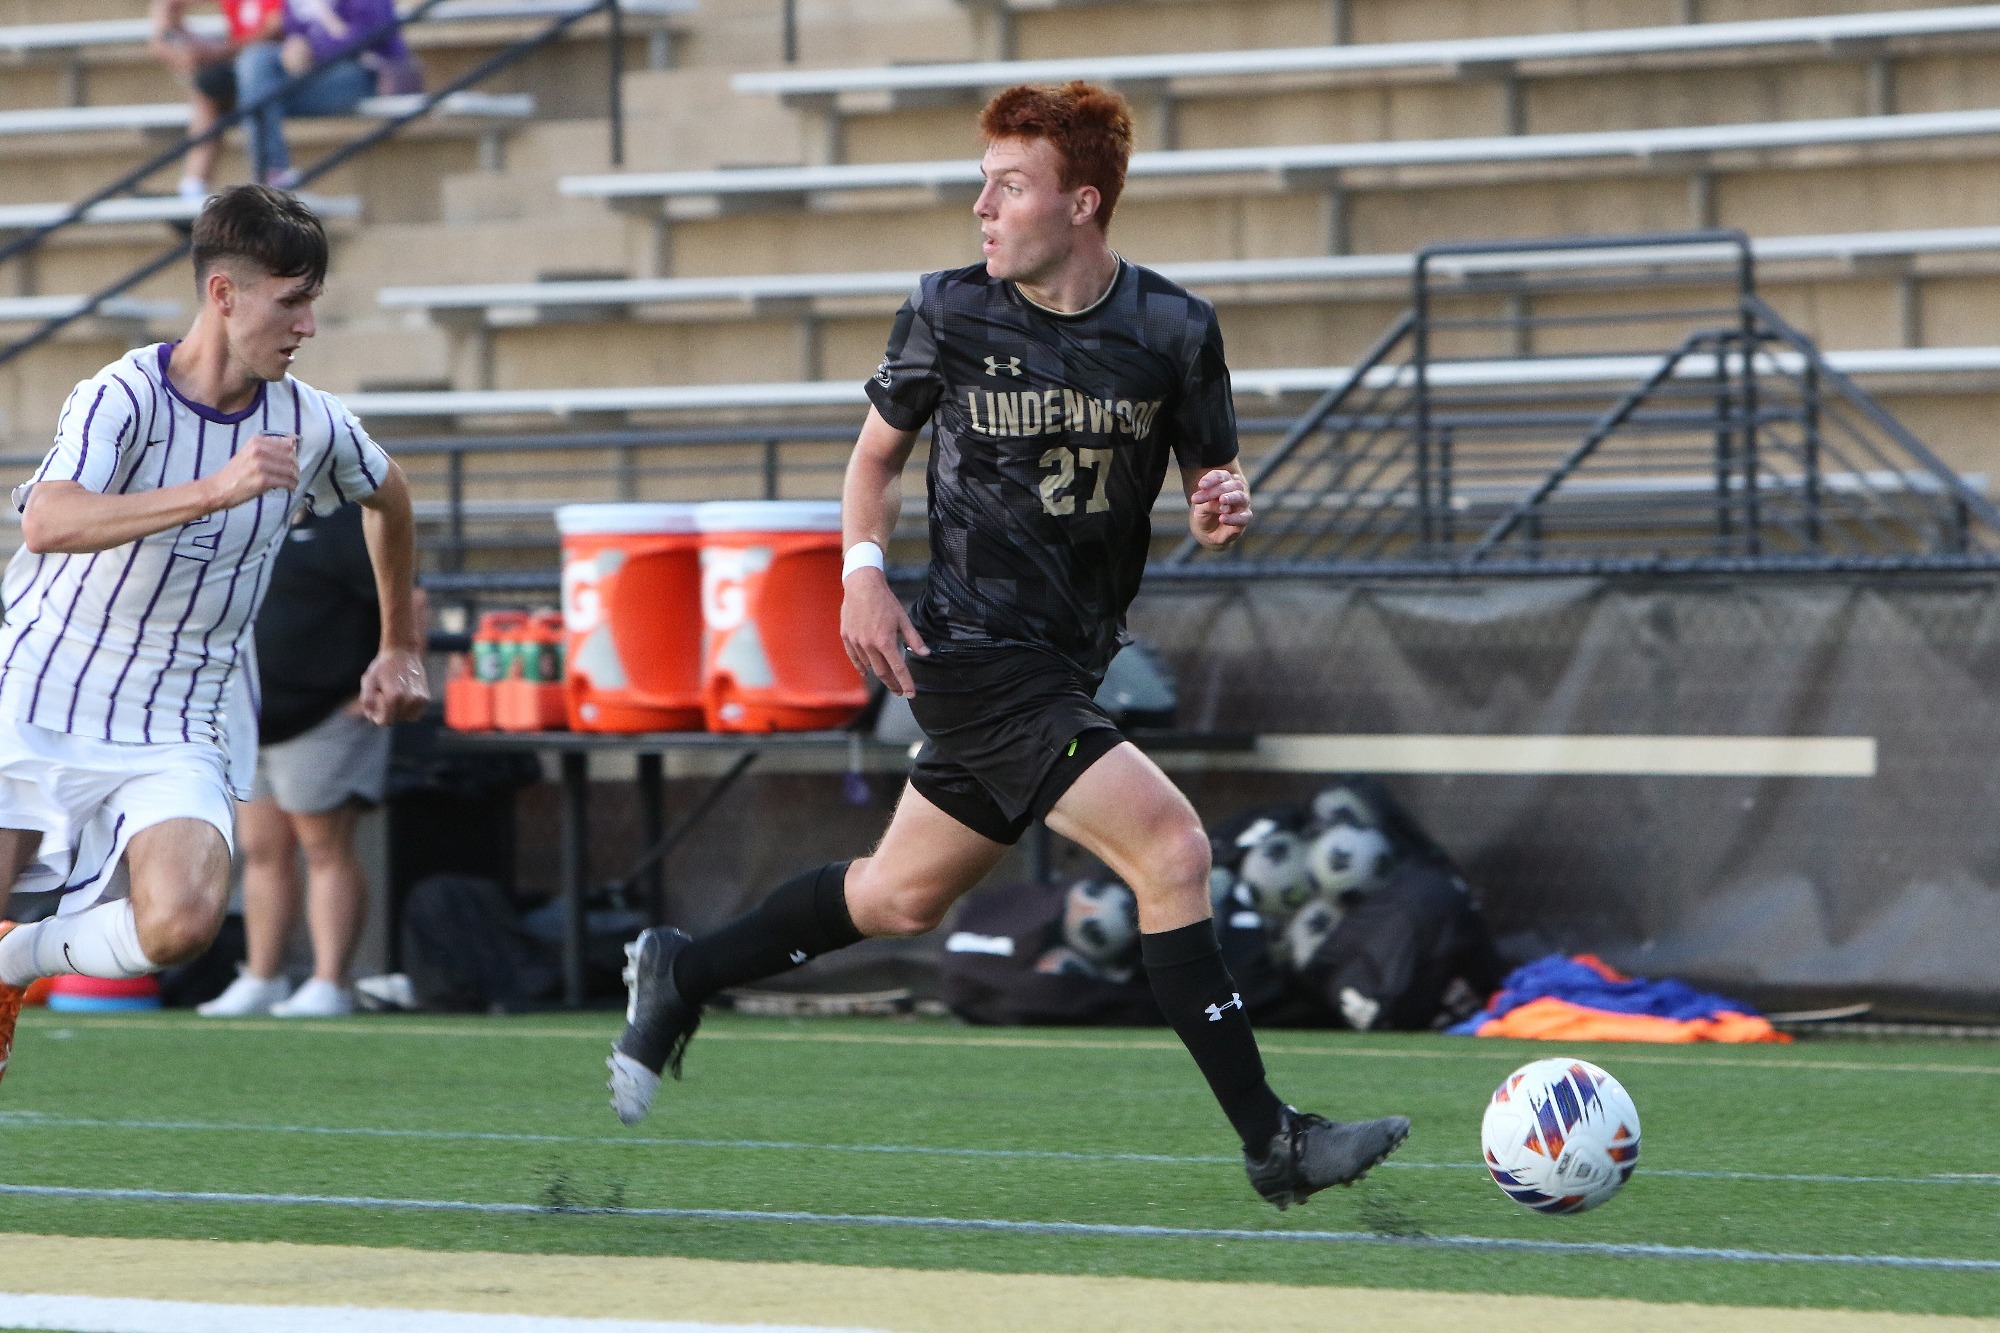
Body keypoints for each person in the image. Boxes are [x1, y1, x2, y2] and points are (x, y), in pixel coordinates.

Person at [608, 82, 1412, 1210]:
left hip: (1068, 658)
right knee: (1172, 851)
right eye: (981, 181)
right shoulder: (949, 310)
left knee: (894, 898)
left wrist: (1224, 502)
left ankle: (681, 969)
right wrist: (860, 577)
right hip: (974, 654)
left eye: (1009, 184)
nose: (980, 205)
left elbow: (1208, 486)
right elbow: (871, 464)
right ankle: (1271, 1140)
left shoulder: (1175, 329)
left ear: (1081, 203)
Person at [0, 185, 428, 1084]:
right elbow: (48, 522)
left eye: (314, 300)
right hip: (42, 689)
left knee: (183, 921)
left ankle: (12, 964)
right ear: (224, 294)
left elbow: (390, 494)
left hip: (181, 712)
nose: (308, 323)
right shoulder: (121, 394)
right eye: (293, 299)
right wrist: (214, 489)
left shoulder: (309, 421)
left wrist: (398, 645)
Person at [197, 503, 424, 1019]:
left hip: (327, 713)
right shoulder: (248, 520)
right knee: (260, 849)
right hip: (254, 720)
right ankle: (263, 975)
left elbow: (410, 600)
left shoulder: (350, 524)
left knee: (325, 846)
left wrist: (394, 675)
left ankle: (330, 981)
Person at [235, 0, 415, 189]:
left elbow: (368, 36)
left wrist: (313, 48)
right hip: (314, 74)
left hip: (365, 74)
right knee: (256, 59)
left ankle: (270, 173)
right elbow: (293, 30)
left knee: (260, 95)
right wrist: (294, 49)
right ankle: (273, 173)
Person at [148, 0, 286, 200]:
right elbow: (169, 7)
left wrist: (217, 52)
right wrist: (168, 33)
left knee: (251, 69)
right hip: (247, 66)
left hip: (284, 67)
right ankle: (193, 187)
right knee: (209, 84)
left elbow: (276, 30)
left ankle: (270, 172)